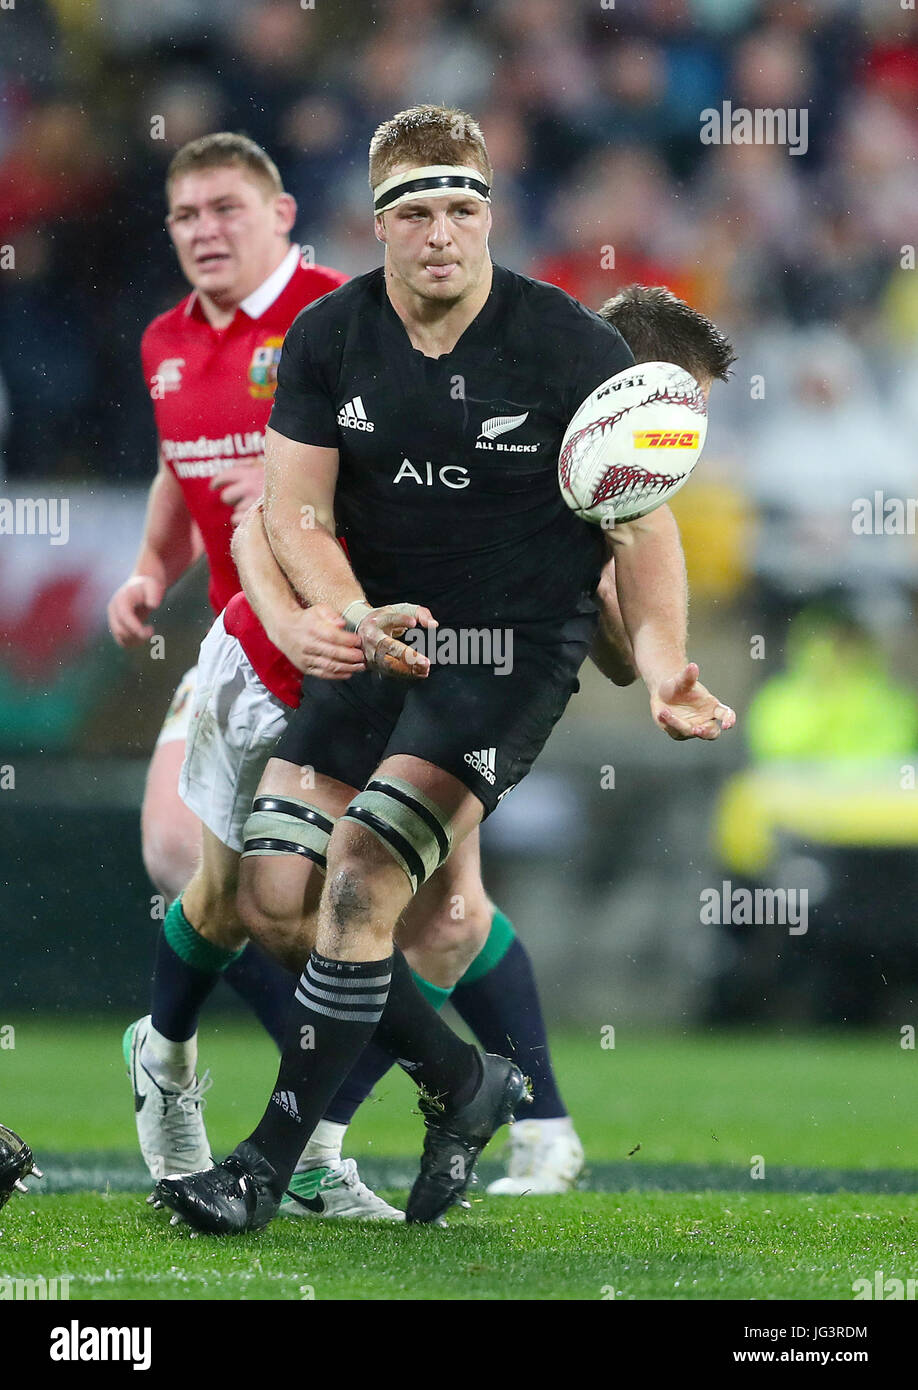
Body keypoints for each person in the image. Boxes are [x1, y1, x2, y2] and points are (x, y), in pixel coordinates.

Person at [152, 104, 735, 1234]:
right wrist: (347, 613)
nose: (440, 233)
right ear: (378, 223)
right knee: (275, 900)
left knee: (369, 870)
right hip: (382, 636)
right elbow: (295, 510)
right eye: (415, 211)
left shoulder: (571, 343)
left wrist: (664, 663)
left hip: (509, 653)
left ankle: (264, 1169)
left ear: (490, 215)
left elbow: (643, 523)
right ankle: (463, 1081)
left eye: (462, 208)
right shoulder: (328, 338)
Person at [110, 131, 588, 1214]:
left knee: (429, 915)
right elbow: (203, 481)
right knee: (220, 874)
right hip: (264, 640)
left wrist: (614, 621)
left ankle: (500, 1116)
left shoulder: (354, 313)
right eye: (185, 215)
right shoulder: (166, 343)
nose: (206, 232)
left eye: (228, 209)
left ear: (286, 216)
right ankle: (281, 1097)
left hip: (395, 662)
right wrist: (152, 564)